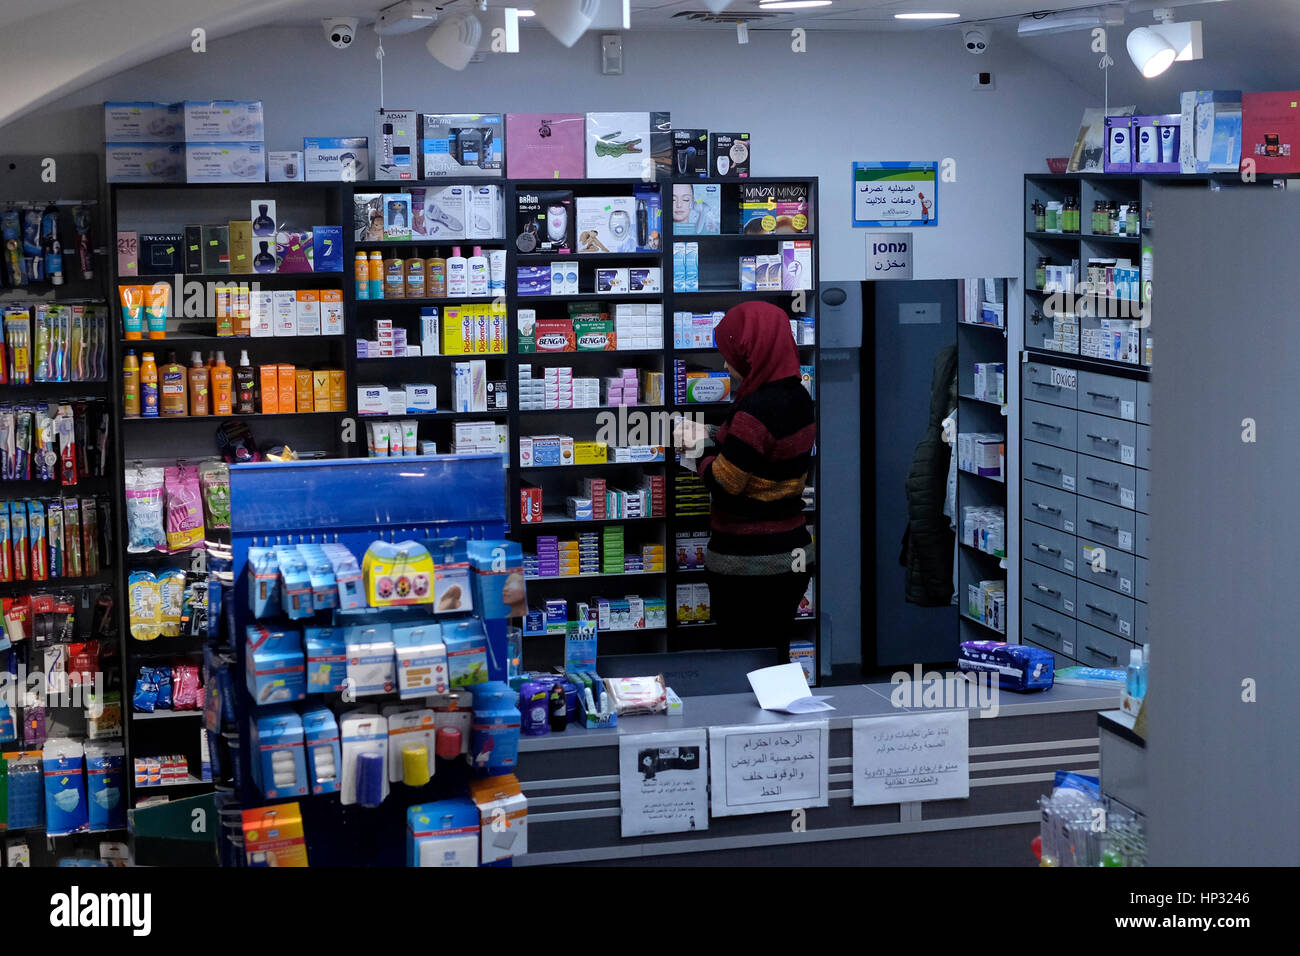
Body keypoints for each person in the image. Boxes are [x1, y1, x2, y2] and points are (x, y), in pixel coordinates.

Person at [674, 301, 815, 660]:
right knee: (775, 657)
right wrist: (712, 433)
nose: (725, 364)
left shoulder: (755, 409)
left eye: (730, 353)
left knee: (743, 666)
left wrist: (698, 448)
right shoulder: (798, 395)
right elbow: (762, 450)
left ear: (751, 352)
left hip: (749, 565)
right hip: (793, 556)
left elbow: (725, 482)